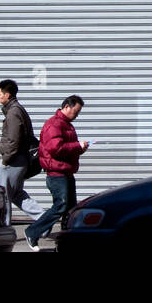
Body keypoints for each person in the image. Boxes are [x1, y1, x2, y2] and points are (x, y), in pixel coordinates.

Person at [24, 94, 90, 251]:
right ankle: (32, 232)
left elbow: (68, 149)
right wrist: (77, 146)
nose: (77, 115)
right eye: (76, 111)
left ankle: (69, 241)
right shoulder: (54, 124)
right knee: (61, 206)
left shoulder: (67, 125)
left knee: (71, 210)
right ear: (66, 107)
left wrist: (80, 149)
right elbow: (56, 149)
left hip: (67, 172)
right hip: (56, 173)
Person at [0, 79, 44, 227]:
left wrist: (5, 160)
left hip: (13, 161)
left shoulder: (14, 112)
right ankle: (44, 220)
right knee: (16, 194)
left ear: (7, 95)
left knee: (5, 197)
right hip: (19, 160)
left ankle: (5, 228)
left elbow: (14, 140)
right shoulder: (16, 110)